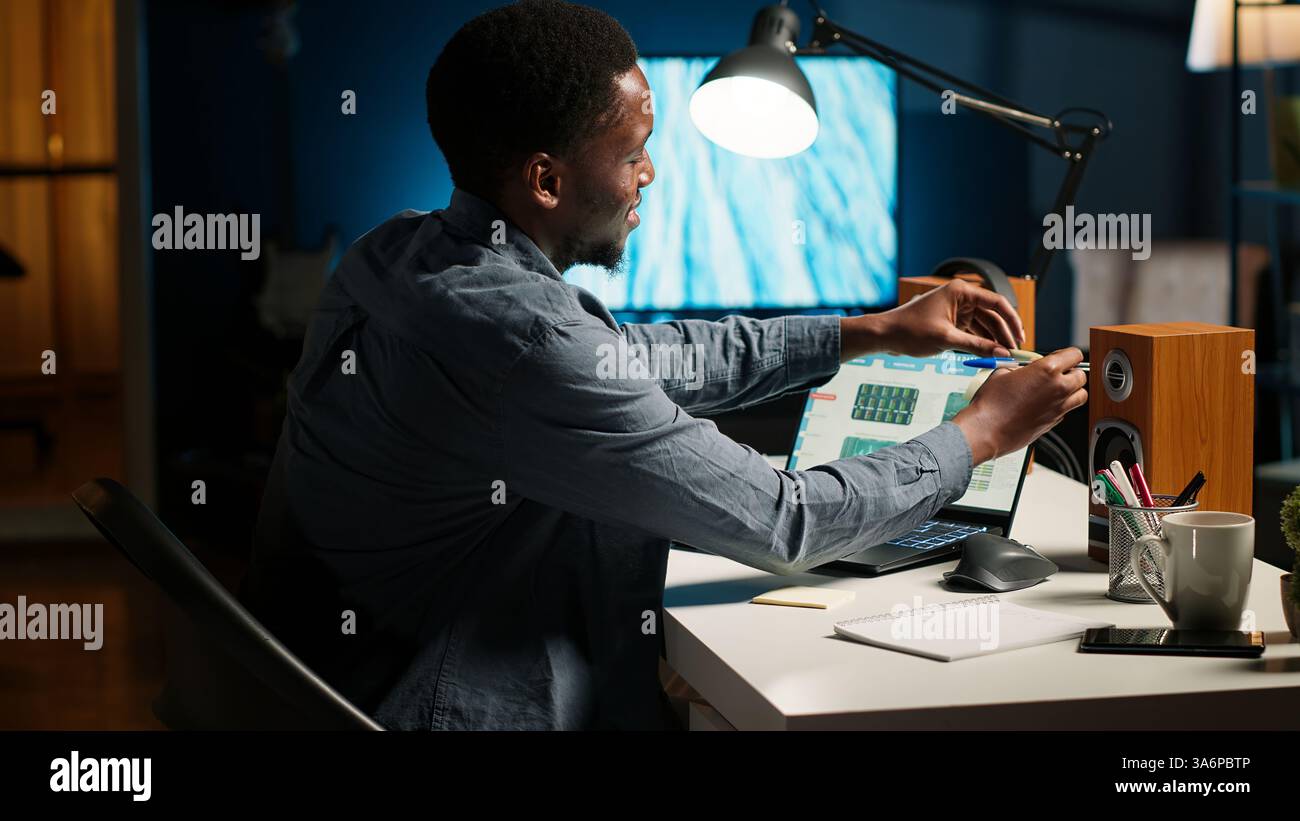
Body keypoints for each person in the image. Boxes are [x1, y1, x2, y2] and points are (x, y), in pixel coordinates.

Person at [242, 0, 1087, 730]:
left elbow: (642, 357)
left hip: (339, 679)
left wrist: (867, 331)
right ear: (545, 179)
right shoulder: (524, 340)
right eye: (633, 149)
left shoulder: (394, 251)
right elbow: (784, 521)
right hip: (434, 702)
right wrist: (980, 431)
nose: (650, 174)